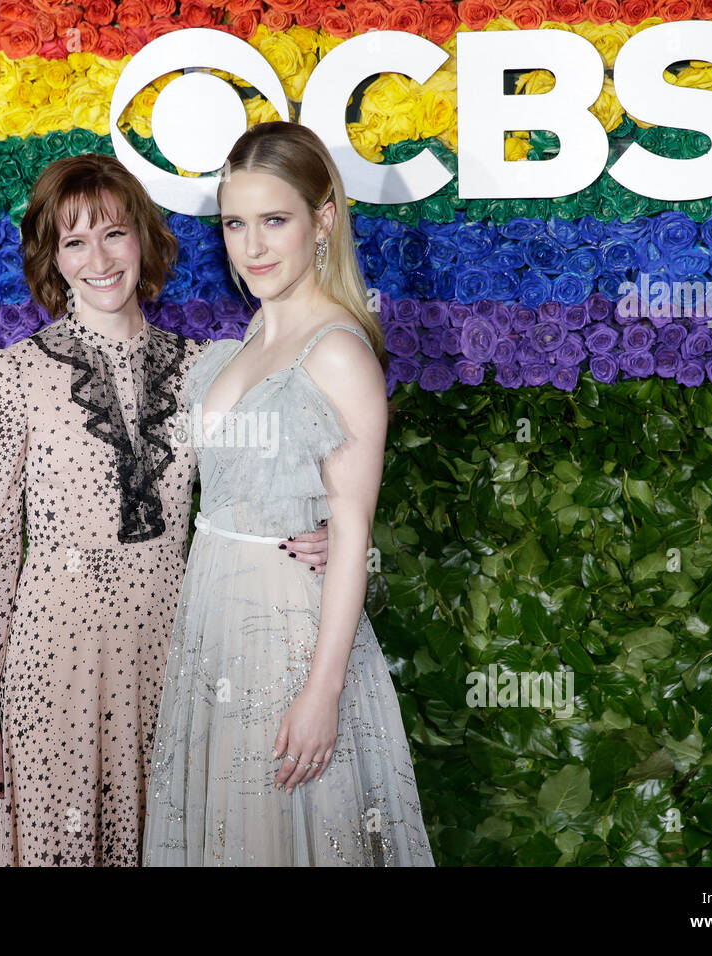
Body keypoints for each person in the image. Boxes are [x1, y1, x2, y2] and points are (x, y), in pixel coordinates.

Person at [0, 154, 331, 866]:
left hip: (176, 647)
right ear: (52, 257)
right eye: (74, 241)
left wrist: (330, 529)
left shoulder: (207, 367)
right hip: (51, 660)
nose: (98, 258)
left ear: (144, 241)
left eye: (114, 234)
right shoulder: (12, 374)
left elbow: (267, 484)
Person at [143, 122, 435, 866]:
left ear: (323, 219)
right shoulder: (254, 330)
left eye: (275, 220)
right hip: (213, 621)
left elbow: (352, 530)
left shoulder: (337, 351)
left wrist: (321, 694)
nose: (253, 246)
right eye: (236, 224)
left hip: (289, 638)